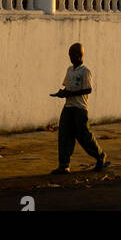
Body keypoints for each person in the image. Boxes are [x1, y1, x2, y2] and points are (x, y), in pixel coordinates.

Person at [50, 42, 109, 174]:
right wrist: (62, 93)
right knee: (65, 135)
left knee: (84, 136)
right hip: (68, 106)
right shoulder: (69, 70)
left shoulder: (85, 71)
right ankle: (64, 165)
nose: (70, 58)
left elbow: (88, 89)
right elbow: (67, 86)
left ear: (78, 56)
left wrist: (70, 94)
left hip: (80, 109)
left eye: (71, 55)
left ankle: (100, 156)